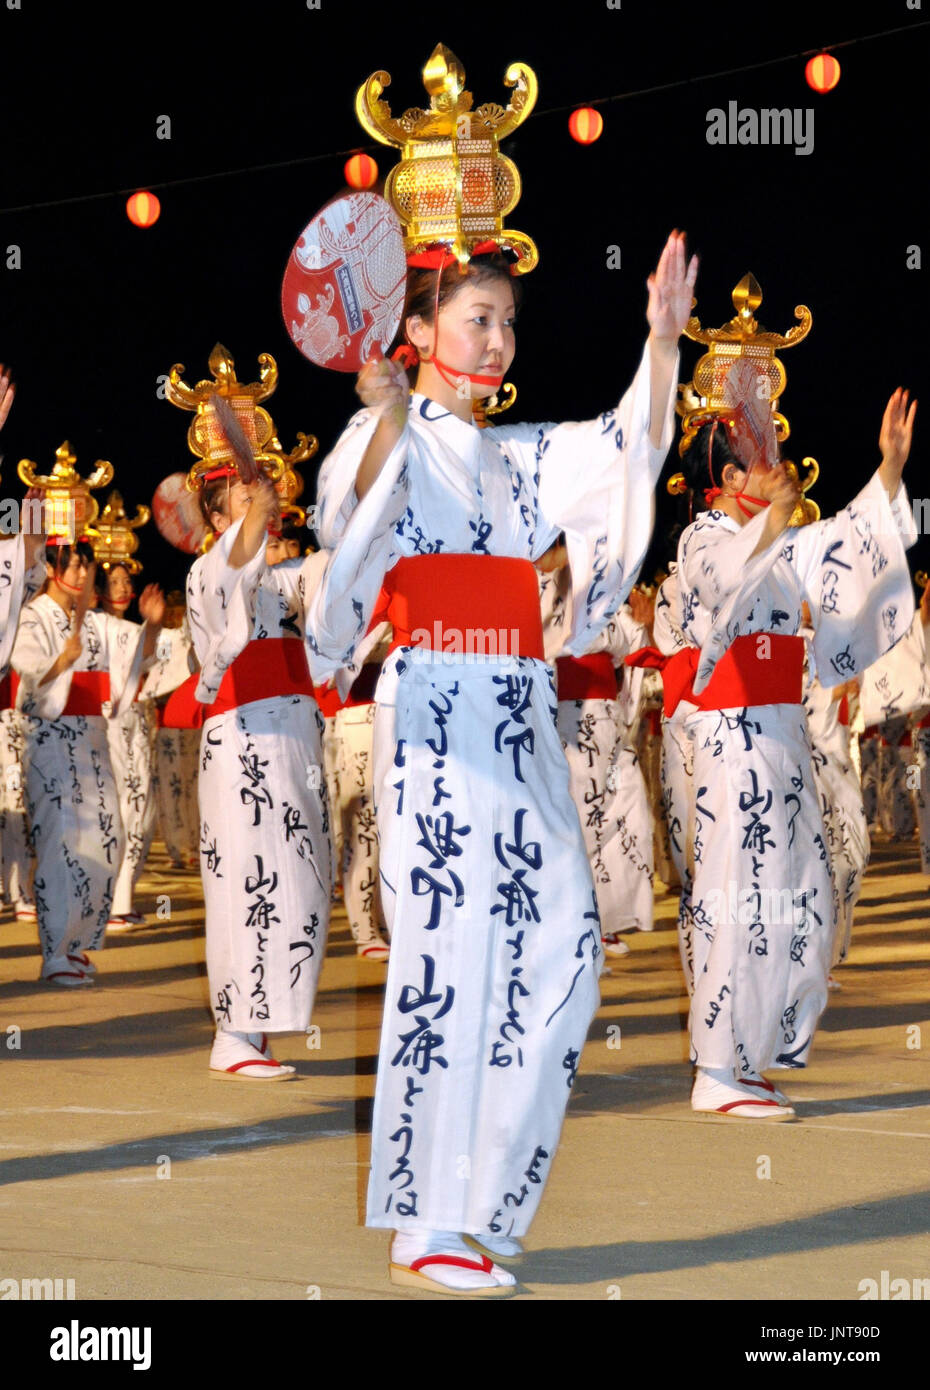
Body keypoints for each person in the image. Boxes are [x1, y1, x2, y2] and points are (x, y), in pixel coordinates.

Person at [309, 221, 695, 1292]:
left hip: (519, 712)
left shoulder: (518, 455)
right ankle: (428, 1220)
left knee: (567, 943)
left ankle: (481, 1202)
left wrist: (661, 344)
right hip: (436, 709)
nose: (498, 342)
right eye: (477, 320)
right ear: (421, 329)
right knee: (454, 955)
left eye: (509, 324)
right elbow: (343, 514)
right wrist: (385, 421)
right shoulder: (396, 432)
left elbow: (625, 448)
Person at [674, 385, 918, 1119]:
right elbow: (722, 586)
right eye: (761, 461)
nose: (779, 469)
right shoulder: (703, 540)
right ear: (728, 481)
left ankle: (753, 1054)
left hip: (781, 732)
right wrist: (776, 521)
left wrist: (889, 473)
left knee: (799, 896)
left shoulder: (781, 542)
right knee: (740, 898)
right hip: (732, 736)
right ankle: (716, 1068)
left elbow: (850, 540)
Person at [178, 389, 333, 1080]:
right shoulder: (208, 570)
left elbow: (334, 579)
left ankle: (260, 1025)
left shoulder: (282, 577)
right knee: (250, 876)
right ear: (213, 515)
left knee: (298, 878)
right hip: (244, 741)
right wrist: (256, 501)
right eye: (236, 496)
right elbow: (240, 557)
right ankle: (234, 1030)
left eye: (256, 494)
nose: (253, 505)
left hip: (292, 743)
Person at [13, 538, 158, 984]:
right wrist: (61, 663)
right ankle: (54, 950)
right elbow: (29, 672)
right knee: (61, 845)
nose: (80, 575)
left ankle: (77, 943)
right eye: (73, 565)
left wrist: (151, 626)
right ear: (53, 567)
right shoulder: (31, 617)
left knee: (107, 837)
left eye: (83, 567)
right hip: (53, 742)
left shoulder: (96, 623)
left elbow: (139, 656)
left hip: (94, 741)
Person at [94, 560, 164, 930]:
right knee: (123, 808)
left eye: (126, 581)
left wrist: (153, 623)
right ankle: (112, 901)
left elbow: (151, 654)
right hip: (108, 721)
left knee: (142, 810)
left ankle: (123, 896)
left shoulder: (128, 629)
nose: (122, 588)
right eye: (114, 581)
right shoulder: (97, 626)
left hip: (135, 721)